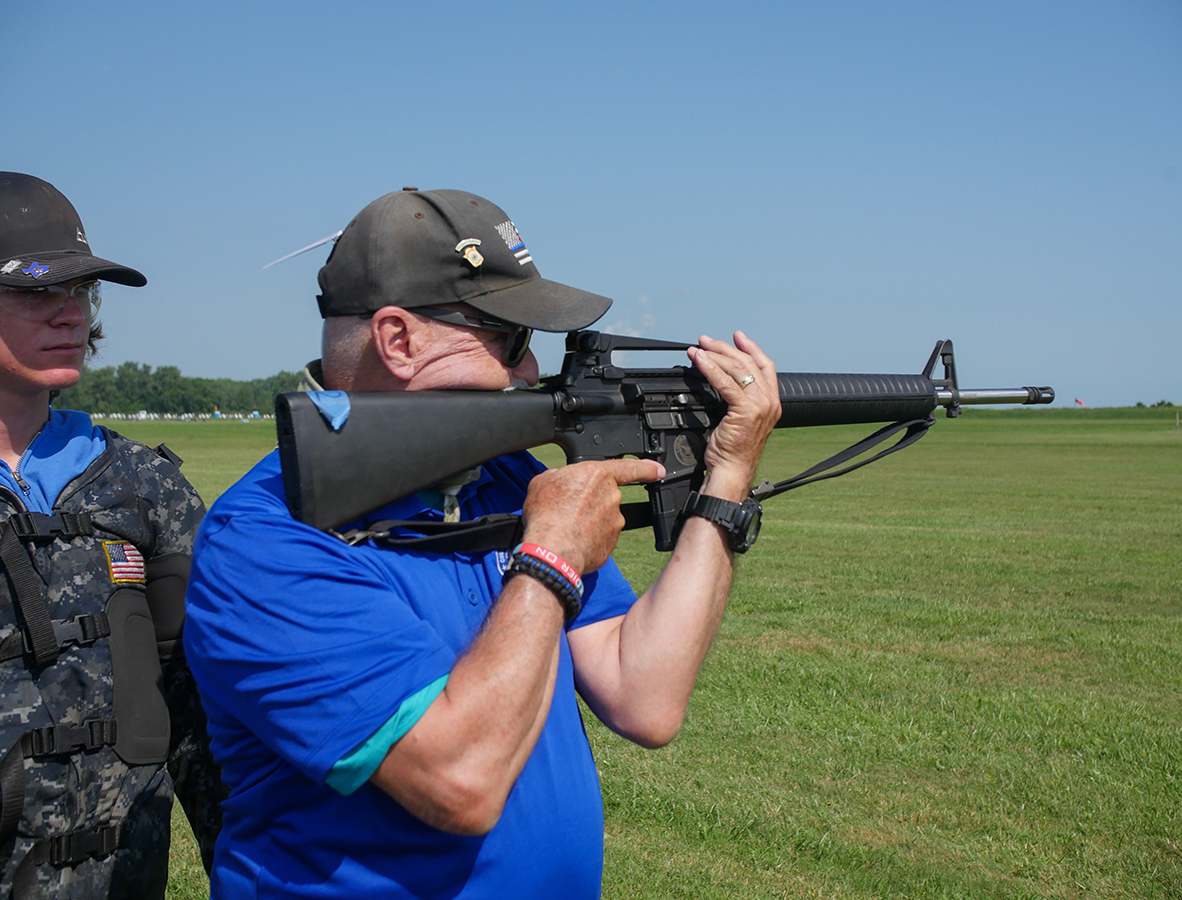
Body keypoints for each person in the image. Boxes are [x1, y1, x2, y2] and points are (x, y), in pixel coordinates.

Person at [184, 187, 781, 899]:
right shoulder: (264, 540)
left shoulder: (502, 479)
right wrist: (552, 553)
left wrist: (726, 481)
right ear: (398, 340)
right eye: (512, 338)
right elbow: (459, 781)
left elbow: (643, 695)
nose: (530, 371)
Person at [0, 173, 223, 898]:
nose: (71, 315)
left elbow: (196, 707)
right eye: (39, 293)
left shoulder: (141, 483)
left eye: (81, 294)